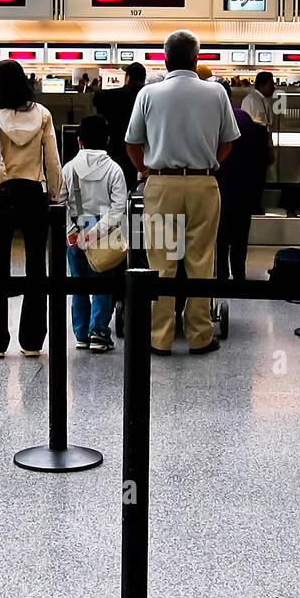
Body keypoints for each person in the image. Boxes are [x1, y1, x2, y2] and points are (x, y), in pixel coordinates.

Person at [124, 29, 240, 356]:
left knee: (161, 261)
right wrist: (210, 164)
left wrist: (146, 169)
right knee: (201, 261)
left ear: (164, 58)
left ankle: (160, 337)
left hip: (161, 184)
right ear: (196, 58)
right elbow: (229, 140)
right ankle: (200, 335)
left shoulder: (149, 93)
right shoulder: (216, 92)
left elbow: (132, 142)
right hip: (204, 184)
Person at [0, 58, 62, 358]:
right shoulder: (42, 115)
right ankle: (32, 340)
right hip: (35, 196)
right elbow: (52, 161)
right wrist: (54, 194)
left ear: (0, 84)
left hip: (1, 196)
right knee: (37, 268)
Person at [62, 114, 127, 353]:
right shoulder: (114, 170)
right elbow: (118, 206)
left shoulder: (68, 168)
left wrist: (72, 231)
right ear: (108, 140)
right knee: (103, 282)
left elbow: (60, 203)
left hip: (74, 231)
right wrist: (97, 231)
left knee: (78, 283)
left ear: (79, 141)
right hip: (104, 232)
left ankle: (80, 334)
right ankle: (98, 332)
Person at [216, 96, 269, 281]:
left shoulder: (215, 119)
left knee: (220, 236)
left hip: (221, 187)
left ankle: (221, 274)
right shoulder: (245, 118)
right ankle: (239, 275)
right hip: (244, 188)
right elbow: (260, 156)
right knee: (240, 236)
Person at [93, 61, 146, 188]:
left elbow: (97, 98)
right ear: (144, 79)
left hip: (116, 151)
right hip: (142, 153)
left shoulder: (111, 95)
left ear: (127, 77)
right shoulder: (148, 96)